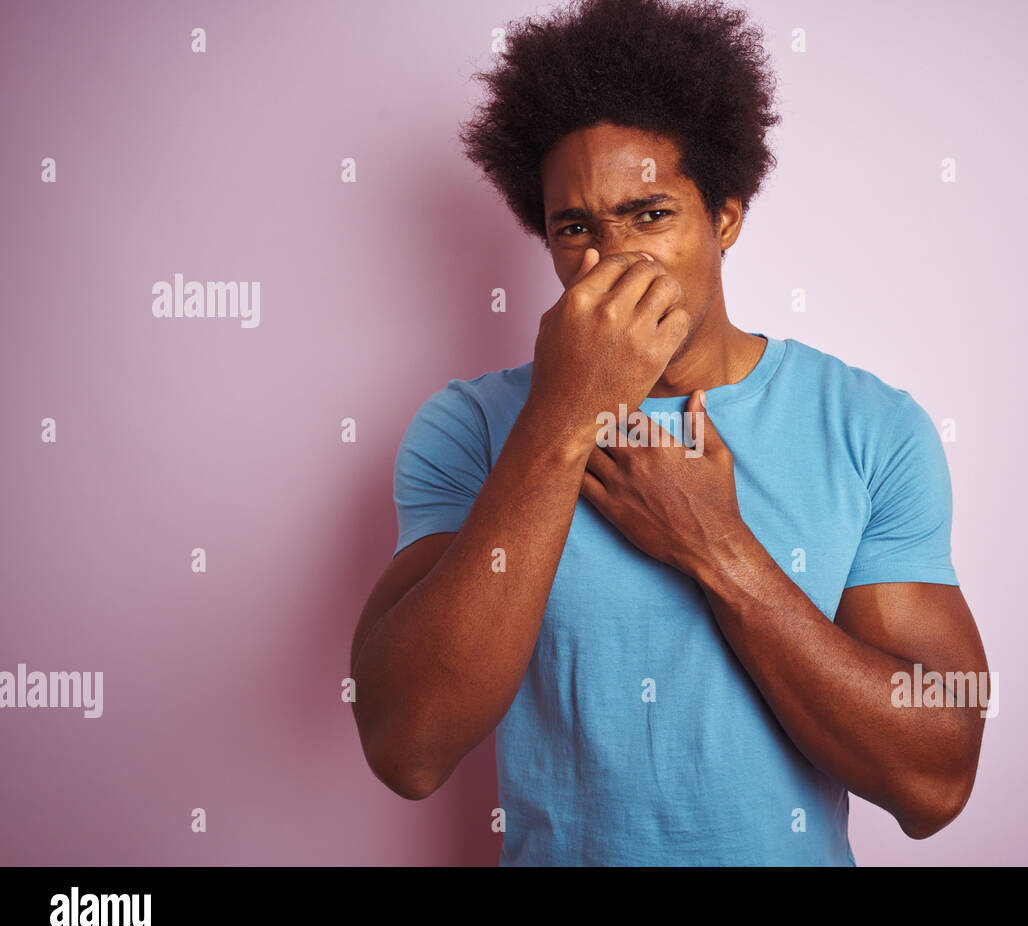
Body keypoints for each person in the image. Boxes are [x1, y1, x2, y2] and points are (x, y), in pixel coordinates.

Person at [350, 0, 989, 866]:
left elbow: (936, 779)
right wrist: (563, 414)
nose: (612, 261)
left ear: (725, 215)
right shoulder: (470, 429)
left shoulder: (869, 428)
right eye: (575, 228)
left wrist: (715, 543)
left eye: (650, 215)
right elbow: (407, 745)